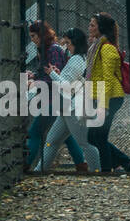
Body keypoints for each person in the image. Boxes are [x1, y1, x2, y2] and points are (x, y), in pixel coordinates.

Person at [34, 28, 101, 174]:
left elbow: (65, 85)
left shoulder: (77, 59)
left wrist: (52, 73)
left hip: (72, 108)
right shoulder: (80, 58)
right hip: (68, 108)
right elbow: (68, 79)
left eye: (69, 43)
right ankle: (39, 170)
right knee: (52, 140)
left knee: (84, 143)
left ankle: (98, 171)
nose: (67, 47)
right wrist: (57, 73)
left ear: (75, 43)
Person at [25, 21, 86, 171]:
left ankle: (25, 166)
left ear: (41, 34)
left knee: (35, 132)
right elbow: (47, 73)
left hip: (54, 99)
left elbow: (56, 78)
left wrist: (34, 81)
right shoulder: (46, 49)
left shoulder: (53, 50)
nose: (32, 39)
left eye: (33, 36)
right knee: (67, 135)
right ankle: (81, 164)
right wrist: (34, 75)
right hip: (55, 98)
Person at [85, 13, 130, 174]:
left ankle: (107, 170)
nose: (89, 27)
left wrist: (102, 106)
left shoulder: (107, 49)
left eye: (92, 25)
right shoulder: (97, 46)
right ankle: (125, 162)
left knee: (99, 136)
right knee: (93, 136)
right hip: (102, 96)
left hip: (110, 98)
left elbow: (106, 79)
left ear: (101, 28)